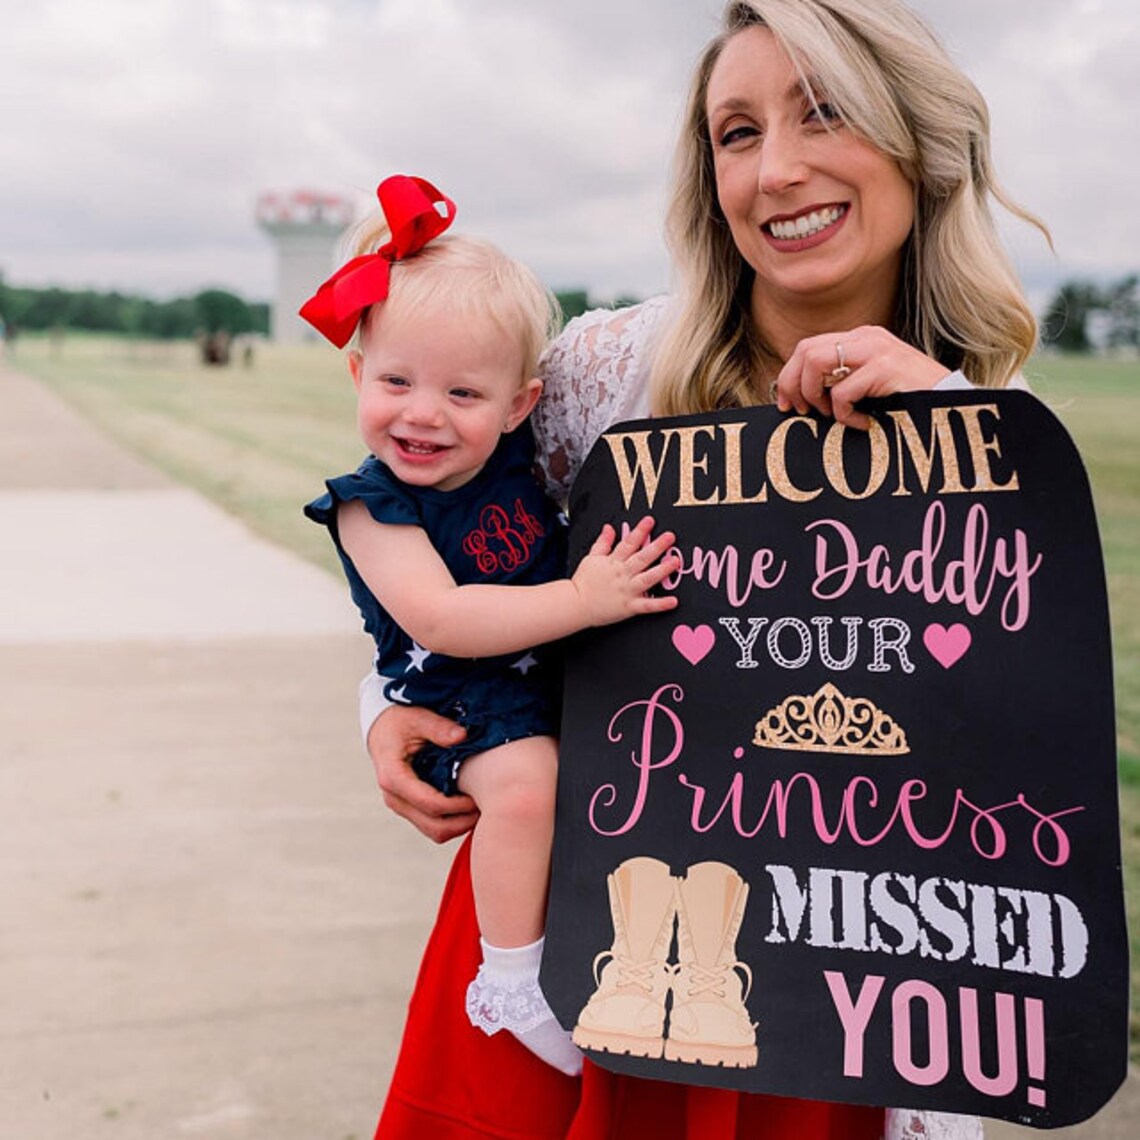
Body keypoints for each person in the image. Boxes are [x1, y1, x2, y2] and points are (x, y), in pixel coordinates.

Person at [361, 3, 1047, 1137]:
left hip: (831, 985)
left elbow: (1022, 744)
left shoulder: (994, 430)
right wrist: (391, 710)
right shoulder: (604, 372)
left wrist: (946, 438)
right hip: (573, 944)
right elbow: (436, 546)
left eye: (823, 112)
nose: (776, 170)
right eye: (736, 132)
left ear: (921, 144)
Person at [302, 174, 679, 1079]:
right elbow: (446, 616)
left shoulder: (515, 454)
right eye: (395, 380)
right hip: (464, 692)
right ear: (358, 375)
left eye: (463, 394)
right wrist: (585, 602)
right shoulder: (372, 506)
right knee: (522, 789)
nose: (424, 412)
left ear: (519, 407)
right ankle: (512, 978)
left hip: (539, 673)